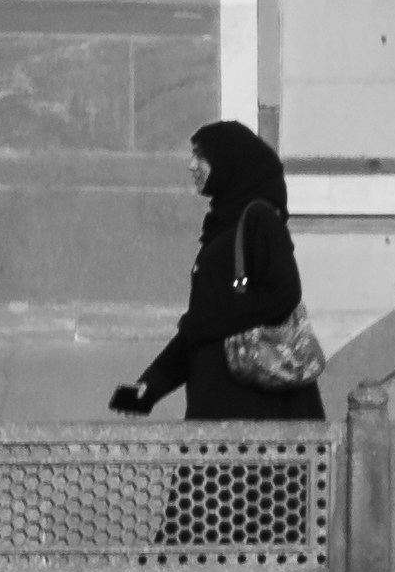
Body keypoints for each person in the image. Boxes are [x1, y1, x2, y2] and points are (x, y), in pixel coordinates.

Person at [109, 119, 326, 420]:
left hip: (257, 415)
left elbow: (284, 292)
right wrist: (150, 387)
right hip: (218, 408)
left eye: (201, 156)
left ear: (229, 160)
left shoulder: (259, 218)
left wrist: (206, 321)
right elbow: (199, 329)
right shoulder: (223, 229)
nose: (191, 165)